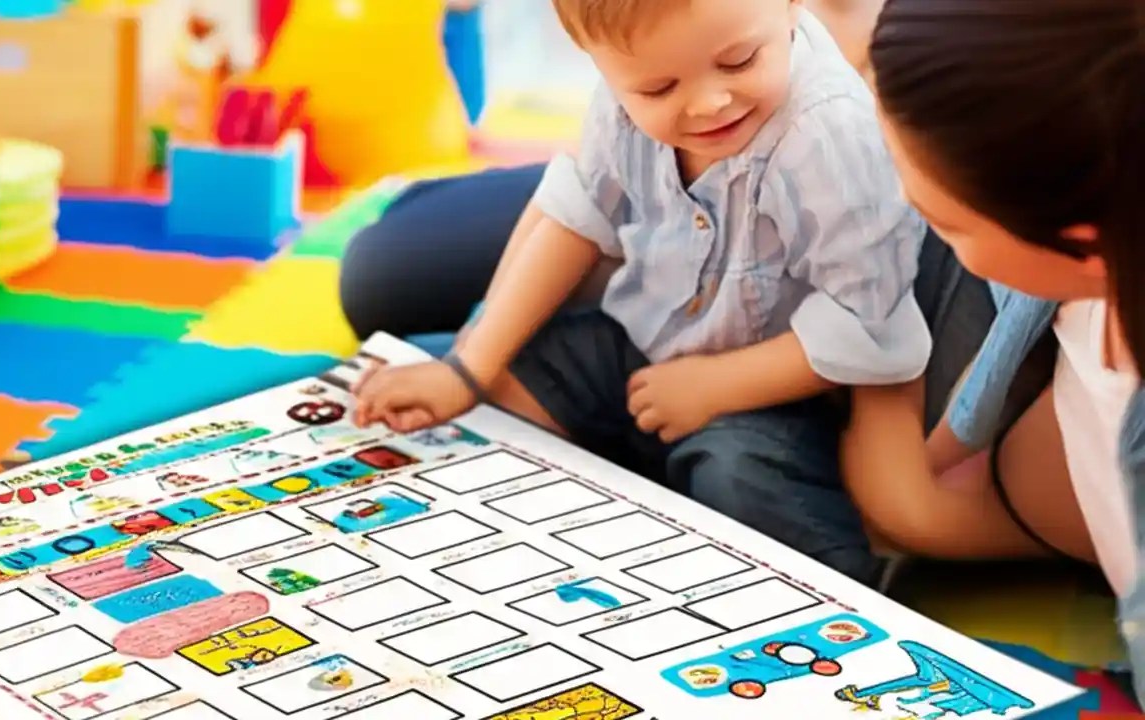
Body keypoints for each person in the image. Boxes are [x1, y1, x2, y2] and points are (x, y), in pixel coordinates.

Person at [351, 0, 930, 586]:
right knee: (492, 388)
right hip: (642, 340)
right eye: (658, 89)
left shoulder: (829, 134)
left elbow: (868, 321)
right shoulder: (620, 96)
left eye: (740, 60)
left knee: (742, 477)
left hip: (775, 385)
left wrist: (715, 386)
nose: (708, 103)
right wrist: (467, 370)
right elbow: (575, 218)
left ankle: (848, 581)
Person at [843, 0, 1145, 702]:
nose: (900, 200)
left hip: (987, 486)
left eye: (941, 219)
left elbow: (904, 505)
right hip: (1002, 344)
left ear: (1085, 242)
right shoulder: (1092, 202)